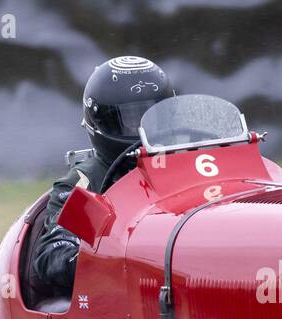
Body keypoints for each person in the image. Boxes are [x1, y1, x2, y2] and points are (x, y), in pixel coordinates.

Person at [30, 56, 174, 298]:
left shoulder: (191, 165)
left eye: (155, 117)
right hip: (119, 302)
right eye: (133, 119)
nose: (144, 128)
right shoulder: (85, 183)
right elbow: (53, 254)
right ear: (103, 122)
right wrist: (114, 258)